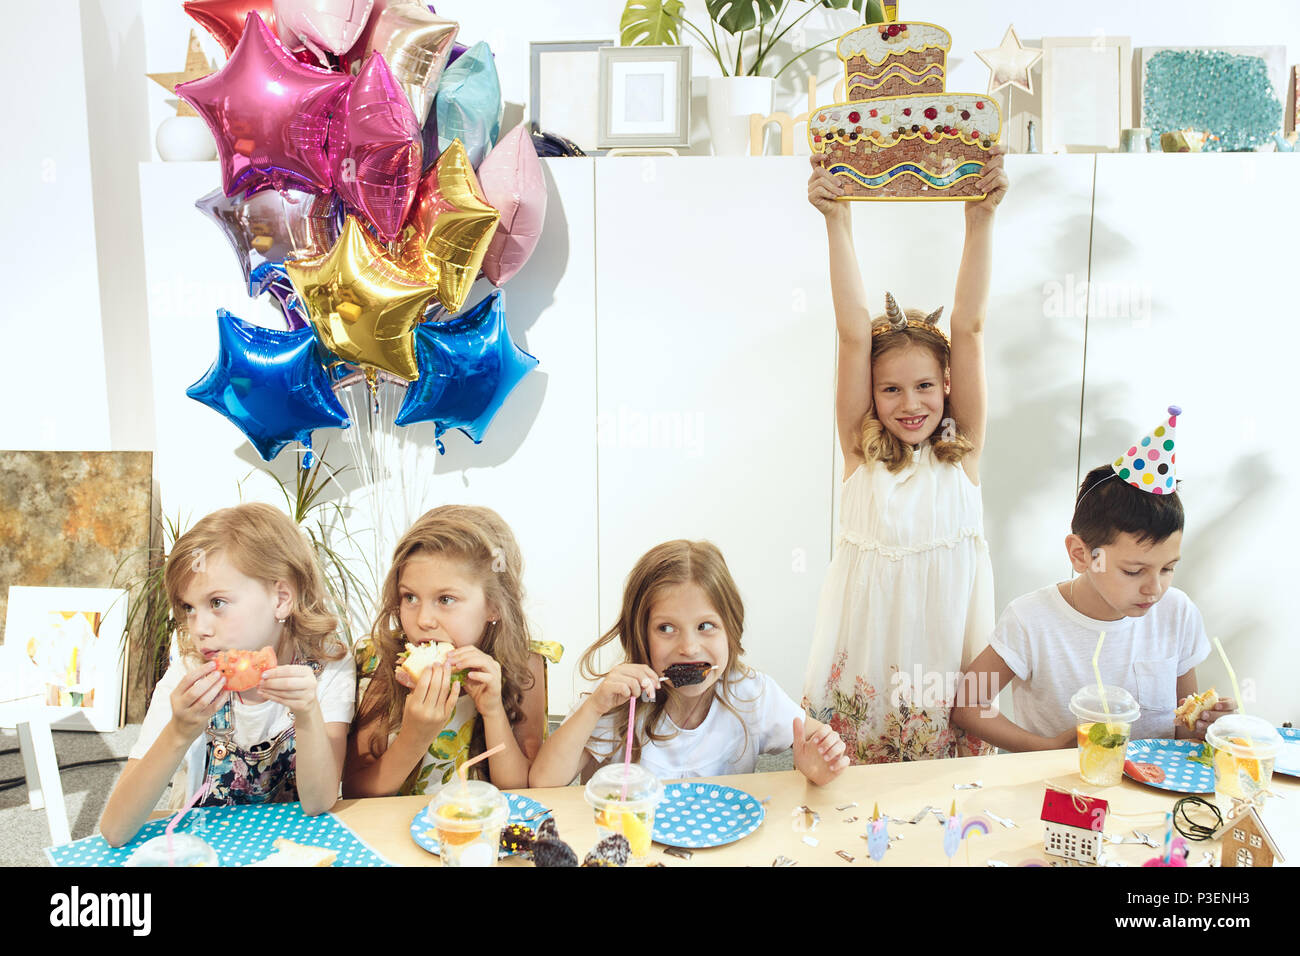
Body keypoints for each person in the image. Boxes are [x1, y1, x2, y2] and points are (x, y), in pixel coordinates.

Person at [800, 147, 1008, 763]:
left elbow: (967, 327)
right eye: (890, 388)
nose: (909, 403)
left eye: (924, 386)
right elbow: (850, 332)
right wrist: (837, 221)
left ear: (947, 385)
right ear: (871, 393)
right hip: (870, 653)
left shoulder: (960, 456)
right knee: (862, 786)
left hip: (947, 655)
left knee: (947, 790)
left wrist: (980, 219)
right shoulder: (860, 457)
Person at [952, 407, 1235, 749]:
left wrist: (1203, 724)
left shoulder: (1178, 613)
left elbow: (1183, 731)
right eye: (1133, 571)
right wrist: (1051, 748)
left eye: (1168, 568)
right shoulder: (1032, 619)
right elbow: (968, 706)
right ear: (1081, 555)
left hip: (1150, 790)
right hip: (1059, 787)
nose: (1154, 588)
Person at [100, 503, 353, 846]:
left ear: (281, 599)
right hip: (205, 846)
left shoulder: (328, 665)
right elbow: (115, 830)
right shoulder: (189, 674)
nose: (199, 628)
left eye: (217, 602)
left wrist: (307, 715)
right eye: (189, 608)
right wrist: (179, 731)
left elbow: (319, 802)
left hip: (295, 847)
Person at [530, 540, 848, 786]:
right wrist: (594, 708)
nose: (689, 647)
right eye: (666, 629)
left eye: (705, 626)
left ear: (731, 629)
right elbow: (543, 782)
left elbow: (815, 742)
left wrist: (814, 770)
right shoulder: (617, 702)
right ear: (641, 634)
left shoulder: (751, 693)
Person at [343, 505, 552, 796]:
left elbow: (520, 789)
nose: (423, 620)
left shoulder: (523, 663)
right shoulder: (382, 660)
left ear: (493, 605)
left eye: (445, 599)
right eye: (410, 597)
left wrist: (492, 712)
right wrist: (415, 736)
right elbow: (356, 791)